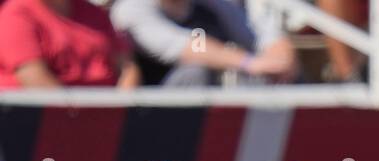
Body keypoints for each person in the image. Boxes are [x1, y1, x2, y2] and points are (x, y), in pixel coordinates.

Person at [110, 0, 298, 86]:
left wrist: (280, 56)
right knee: (196, 72)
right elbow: (189, 47)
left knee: (292, 75)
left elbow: (256, 35)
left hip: (219, 111)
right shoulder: (130, 9)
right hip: (159, 116)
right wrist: (250, 63)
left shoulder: (211, 5)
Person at [0, 0, 139, 88]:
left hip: (107, 120)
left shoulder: (94, 13)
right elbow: (34, 79)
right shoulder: (15, 14)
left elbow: (127, 68)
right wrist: (80, 119)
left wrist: (120, 110)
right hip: (43, 124)